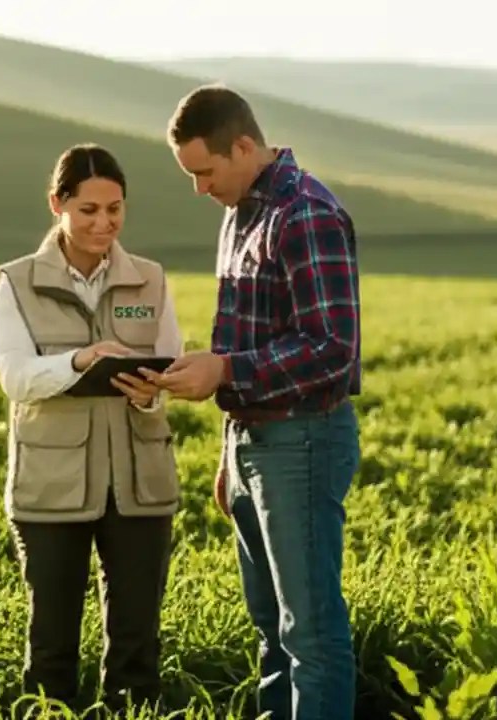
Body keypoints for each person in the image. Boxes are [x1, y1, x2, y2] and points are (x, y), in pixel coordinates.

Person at [141, 85, 363, 720]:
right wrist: (230, 452)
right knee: (271, 634)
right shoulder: (241, 213)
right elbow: (247, 335)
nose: (199, 188)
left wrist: (225, 370)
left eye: (205, 171)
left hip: (303, 442)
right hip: (253, 445)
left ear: (243, 147)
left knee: (309, 637)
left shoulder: (306, 214)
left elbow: (331, 348)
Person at [0, 142, 184, 715]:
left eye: (115, 209)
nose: (105, 223)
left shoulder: (151, 279)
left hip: (139, 485)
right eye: (89, 210)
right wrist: (79, 362)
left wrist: (150, 393)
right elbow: (16, 377)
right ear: (58, 204)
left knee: (137, 651)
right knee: (51, 649)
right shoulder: (16, 282)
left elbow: (168, 365)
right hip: (51, 489)